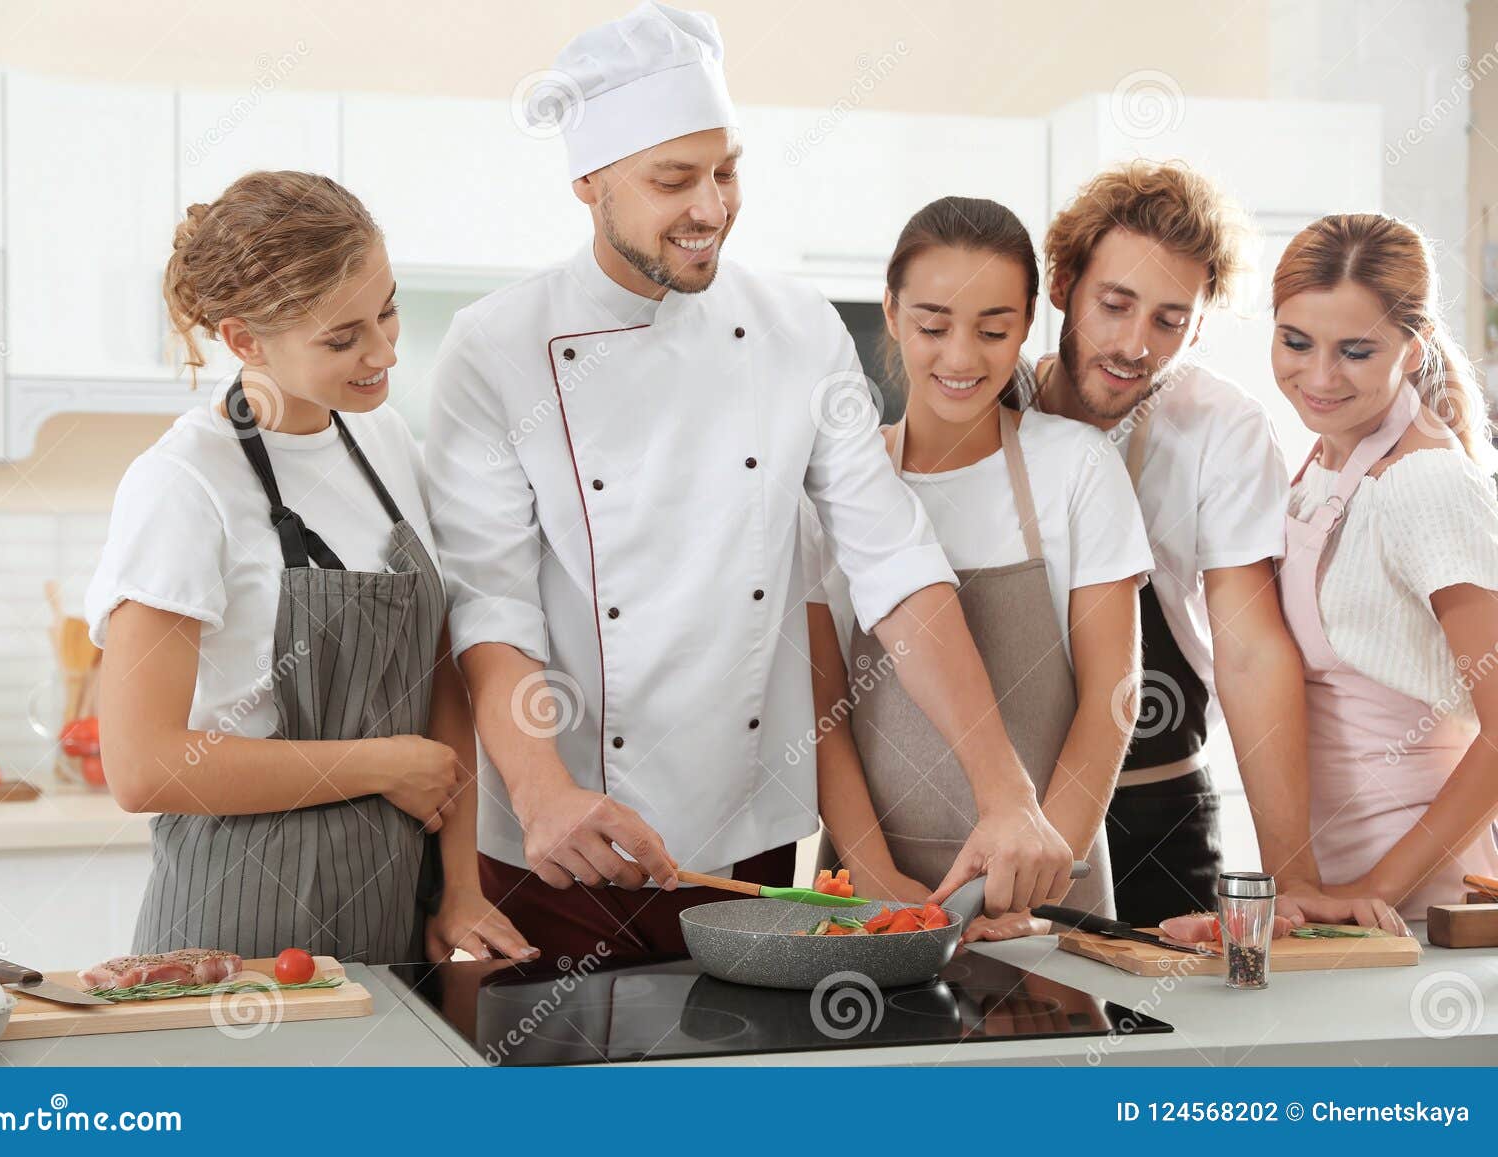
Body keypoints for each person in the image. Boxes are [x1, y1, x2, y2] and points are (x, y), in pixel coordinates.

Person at [423, 2, 1071, 961]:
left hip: (748, 848)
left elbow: (895, 562)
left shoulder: (796, 331)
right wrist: (539, 792)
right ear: (588, 179)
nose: (712, 208)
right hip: (556, 848)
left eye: (727, 170)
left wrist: (1005, 790)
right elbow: (491, 605)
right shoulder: (494, 350)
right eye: (673, 179)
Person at [88, 171, 535, 964]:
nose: (385, 351)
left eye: (388, 308)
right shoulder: (184, 483)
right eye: (342, 337)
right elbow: (143, 766)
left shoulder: (385, 438)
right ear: (244, 341)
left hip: (396, 912)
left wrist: (460, 886)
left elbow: (438, 673)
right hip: (241, 929)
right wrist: (377, 765)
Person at [1029, 160, 1402, 930]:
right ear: (1063, 283)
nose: (1136, 343)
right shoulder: (996, 409)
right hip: (1008, 816)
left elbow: (1252, 650)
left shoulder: (1218, 428)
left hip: (1155, 816)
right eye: (1115, 304)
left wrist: (1289, 871)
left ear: (1198, 326)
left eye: (1169, 319)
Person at [802, 197, 1152, 940]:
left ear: (1027, 324)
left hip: (1051, 887)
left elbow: (1114, 699)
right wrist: (876, 878)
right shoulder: (838, 488)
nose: (960, 358)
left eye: (993, 331)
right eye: (932, 325)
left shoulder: (1076, 469)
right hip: (876, 894)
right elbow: (823, 712)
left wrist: (1031, 880)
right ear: (891, 313)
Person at [1274, 213, 1498, 920]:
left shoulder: (1427, 484)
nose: (1319, 376)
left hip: (1420, 896)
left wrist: (1373, 889)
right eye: (1295, 341)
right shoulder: (1322, 456)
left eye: (1356, 352)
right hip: (1329, 884)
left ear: (1414, 346)